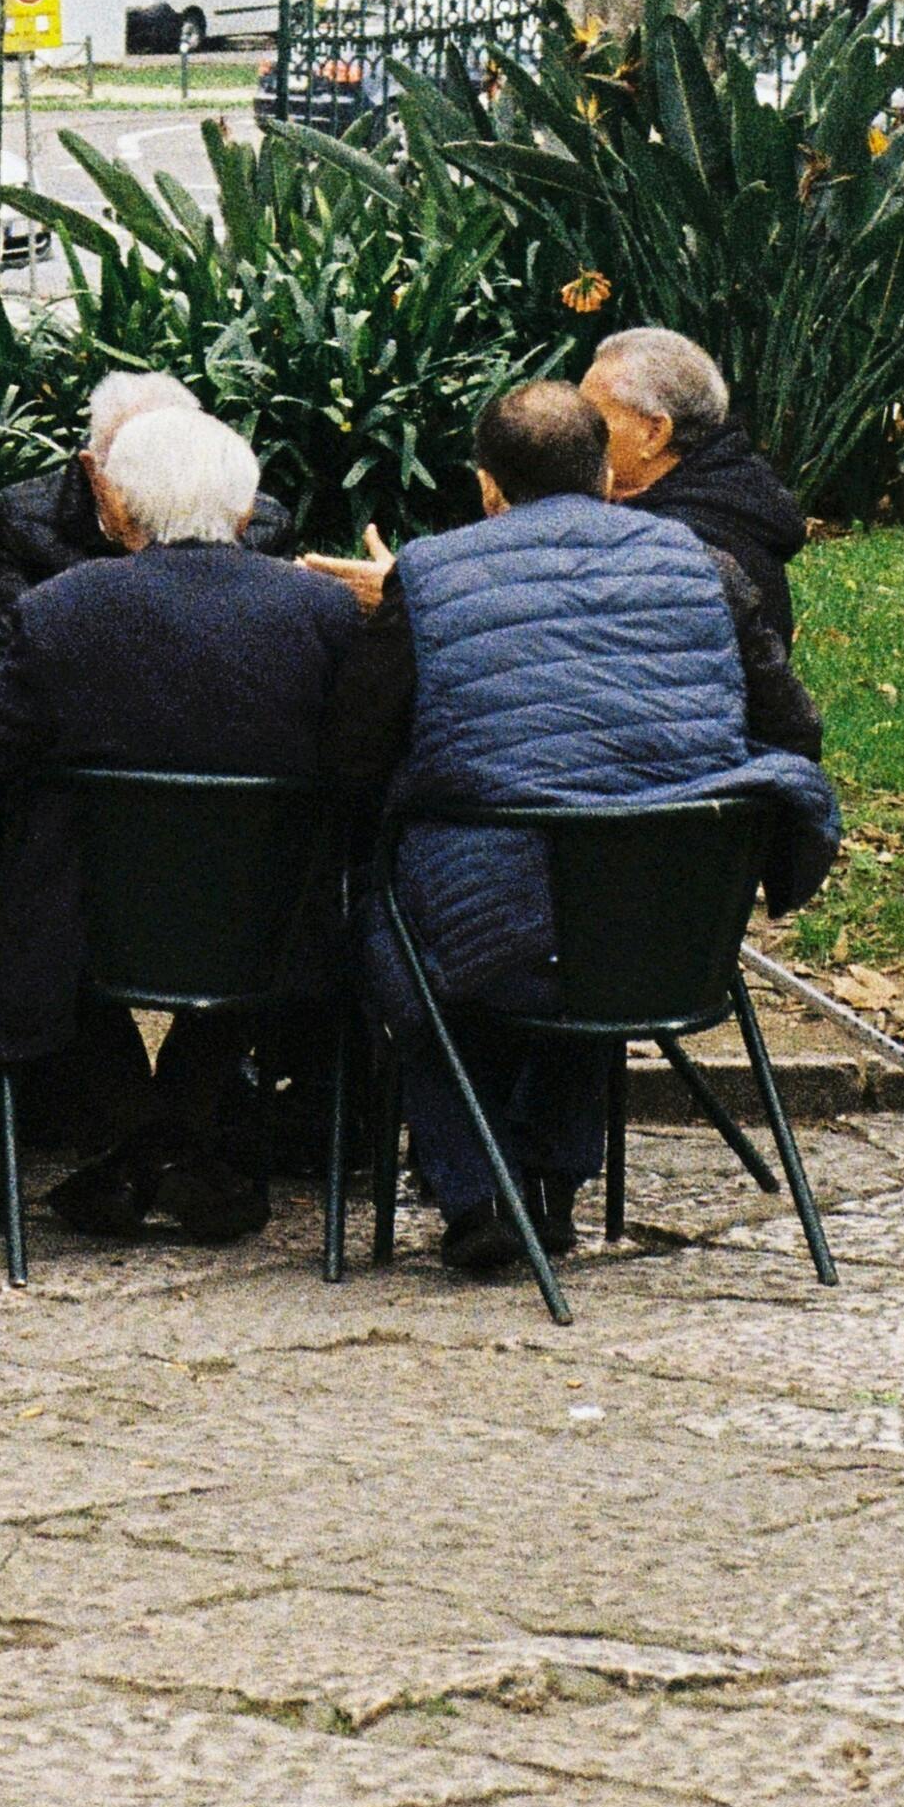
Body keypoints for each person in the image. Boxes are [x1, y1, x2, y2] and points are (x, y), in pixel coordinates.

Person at [328, 378, 836, 1282]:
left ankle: (475, 1192)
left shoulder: (434, 572)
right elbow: (791, 728)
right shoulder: (711, 569)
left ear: (487, 486)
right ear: (606, 473)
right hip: (673, 927)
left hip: (488, 925)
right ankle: (553, 1181)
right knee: (603, 880)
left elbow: (353, 753)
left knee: (400, 918)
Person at [0, 405, 366, 1244]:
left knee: (31, 883)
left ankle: (147, 1142)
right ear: (247, 509)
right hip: (276, 924)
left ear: (123, 507)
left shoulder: (62, 607)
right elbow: (359, 757)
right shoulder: (325, 613)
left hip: (89, 923)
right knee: (278, 898)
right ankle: (176, 1143)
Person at [0, 368, 292, 662]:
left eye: (173, 458)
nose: (160, 480)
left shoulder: (257, 521)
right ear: (94, 470)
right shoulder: (21, 520)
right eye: (134, 463)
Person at [583, 325, 811, 642]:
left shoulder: (678, 541)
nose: (578, 432)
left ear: (654, 434)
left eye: (592, 418)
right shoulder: (727, 492)